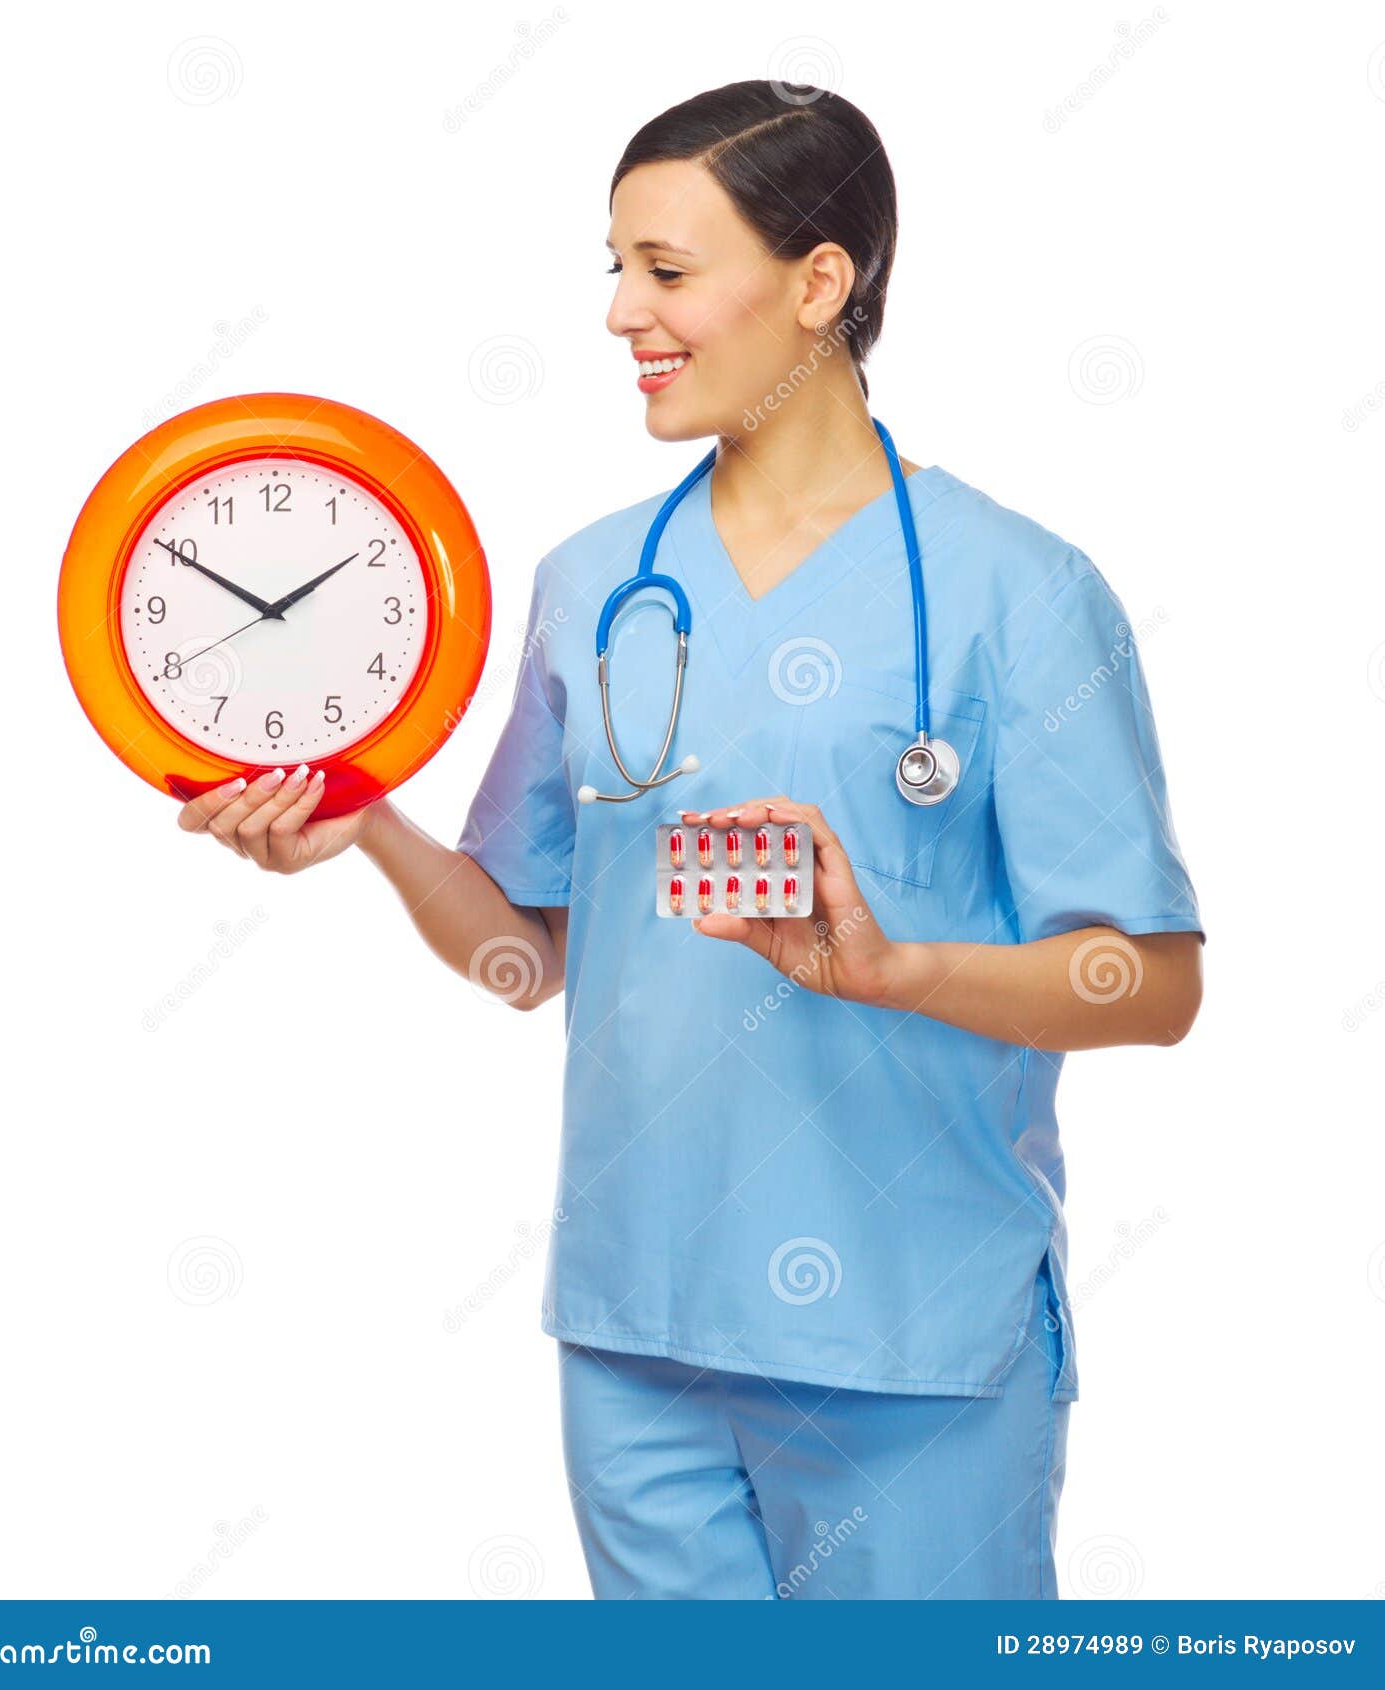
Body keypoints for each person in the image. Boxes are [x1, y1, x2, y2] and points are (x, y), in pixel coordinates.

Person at [176, 81, 1204, 1600]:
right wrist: (369, 821)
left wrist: (897, 969)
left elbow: (1153, 984)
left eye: (664, 271)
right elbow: (529, 955)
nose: (618, 314)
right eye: (613, 268)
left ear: (820, 281)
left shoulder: (1020, 592)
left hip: (915, 1344)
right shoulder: (594, 582)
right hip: (637, 1340)